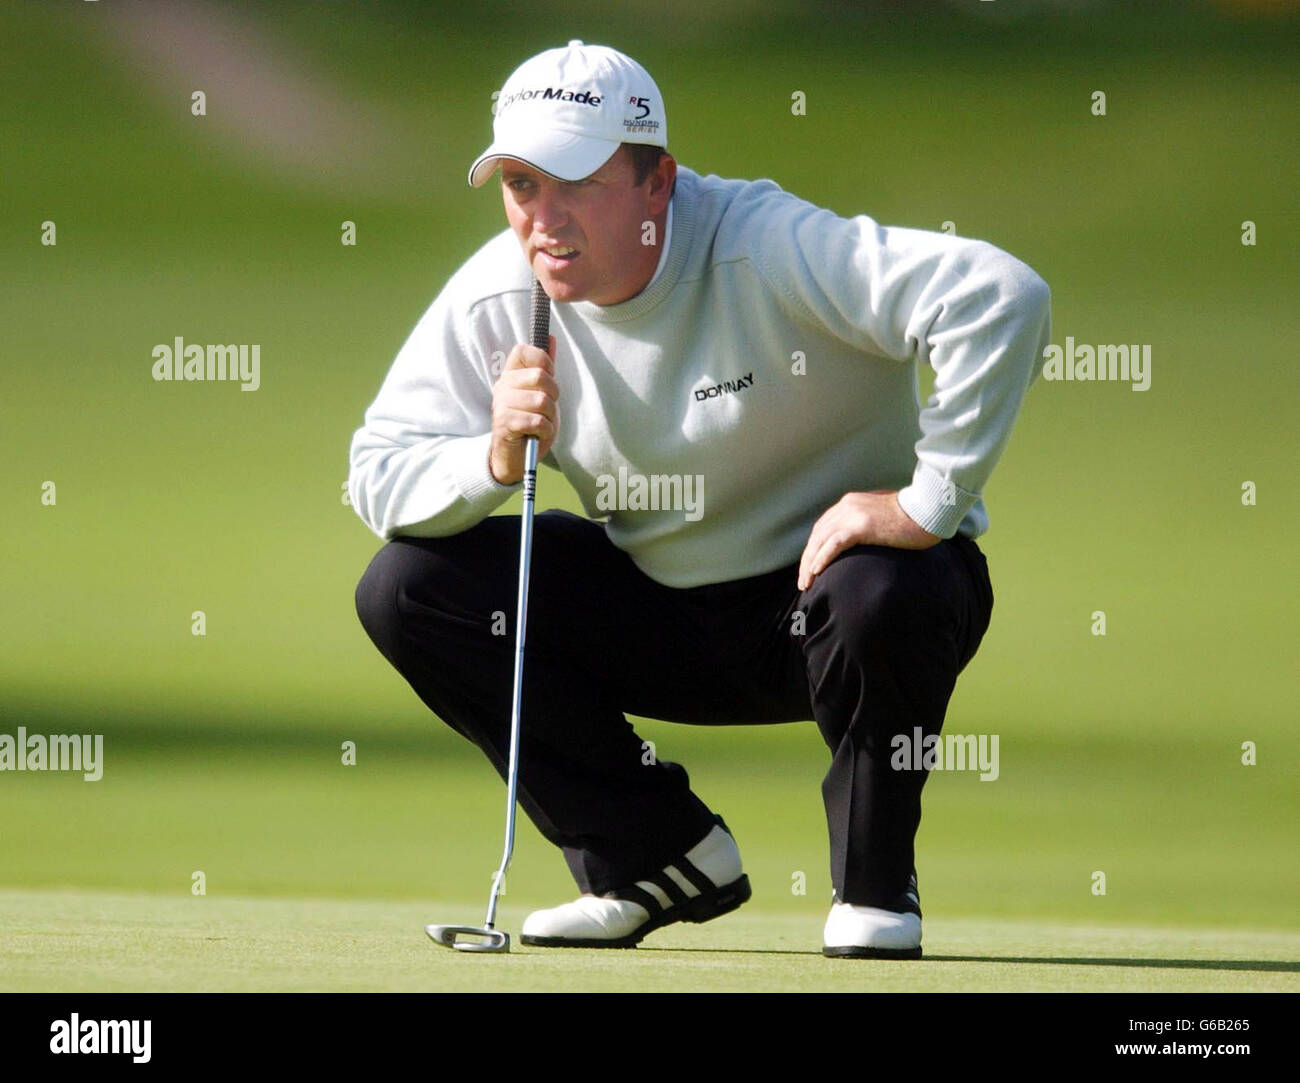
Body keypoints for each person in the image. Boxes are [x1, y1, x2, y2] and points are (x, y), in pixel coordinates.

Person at [348, 40, 1050, 957]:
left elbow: (1001, 294)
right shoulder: (498, 295)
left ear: (658, 184)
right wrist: (489, 456)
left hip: (834, 605)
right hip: (663, 612)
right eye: (520, 184)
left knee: (888, 587)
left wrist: (926, 504)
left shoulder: (765, 246)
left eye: (577, 182)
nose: (543, 219)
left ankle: (877, 887)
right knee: (407, 586)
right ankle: (651, 856)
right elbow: (377, 468)